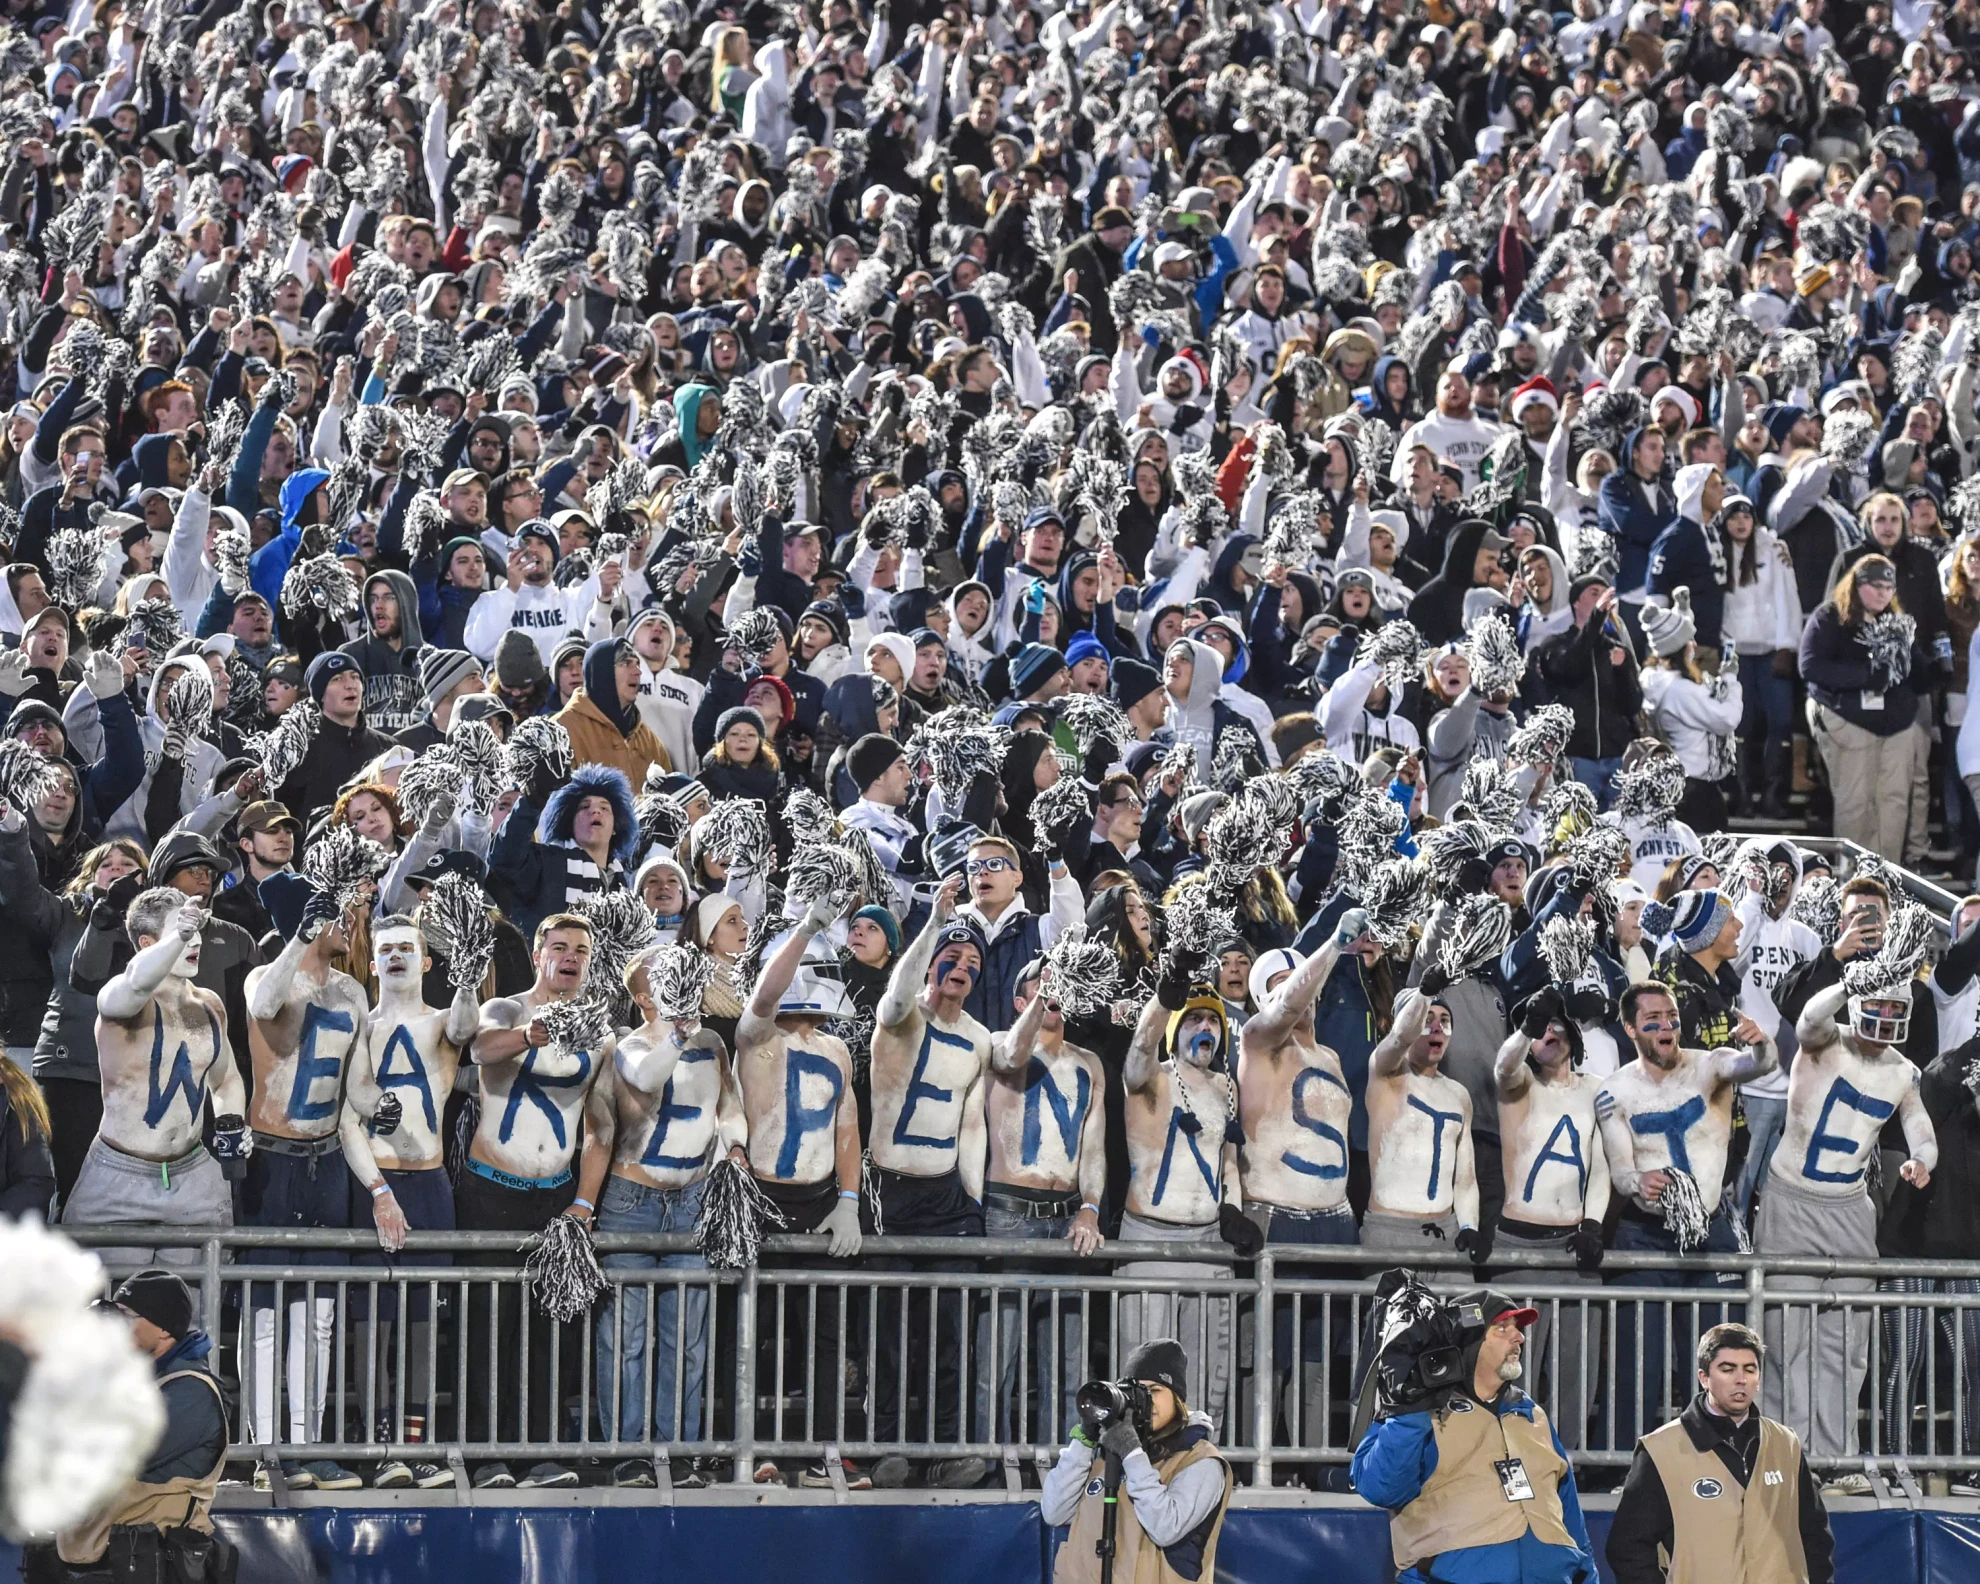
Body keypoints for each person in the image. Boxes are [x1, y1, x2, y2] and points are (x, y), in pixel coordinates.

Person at [584, 942, 744, 1488]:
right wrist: (677, 1033)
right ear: (644, 996)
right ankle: (627, 1452)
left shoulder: (713, 1042)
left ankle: (678, 1449)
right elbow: (649, 1078)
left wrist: (735, 1148)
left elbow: (728, 1106)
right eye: (663, 974)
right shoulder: (631, 1044)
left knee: (686, 1337)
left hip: (692, 1200)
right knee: (625, 1336)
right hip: (633, 1201)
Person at [1597, 981, 1777, 1448]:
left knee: (1722, 1361)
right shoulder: (1613, 1091)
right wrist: (1638, 1181)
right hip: (1645, 1233)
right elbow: (1620, 1170)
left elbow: (1758, 1065)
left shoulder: (1710, 1066)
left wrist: (1761, 1045)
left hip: (1710, 1232)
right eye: (1652, 1019)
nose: (1666, 1025)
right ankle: (1626, 1465)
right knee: (1638, 1364)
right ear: (1630, 1028)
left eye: (1670, 1015)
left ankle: (1722, 1456)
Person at [337, 916, 479, 1487]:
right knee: (374, 1319)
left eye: (406, 948)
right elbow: (349, 1120)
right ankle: (380, 1447)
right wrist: (378, 1192)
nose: (396, 955)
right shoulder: (362, 1027)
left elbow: (467, 1027)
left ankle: (415, 1445)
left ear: (425, 961)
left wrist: (467, 976)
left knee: (423, 1321)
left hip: (429, 1183)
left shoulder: (443, 1021)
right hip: (377, 1181)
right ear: (372, 964)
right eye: (386, 949)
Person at [864, 875, 994, 1488]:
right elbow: (895, 997)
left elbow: (971, 1124)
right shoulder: (901, 1017)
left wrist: (973, 1201)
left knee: (948, 1333)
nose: (961, 967)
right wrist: (935, 925)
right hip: (888, 1190)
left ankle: (944, 1449)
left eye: (973, 962)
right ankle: (887, 1447)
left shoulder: (979, 1039)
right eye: (952, 956)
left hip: (945, 1194)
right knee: (891, 1334)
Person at [1353, 1288, 1597, 1584]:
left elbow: (1572, 1521)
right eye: (1502, 1328)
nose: (1519, 1338)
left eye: (1517, 1328)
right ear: (1470, 1342)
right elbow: (1381, 1489)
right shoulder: (1420, 1411)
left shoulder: (1533, 1414)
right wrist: (1409, 1411)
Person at [62, 889, 244, 1276]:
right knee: (110, 1308)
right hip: (120, 1178)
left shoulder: (210, 1004)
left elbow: (225, 1079)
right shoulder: (120, 997)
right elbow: (135, 983)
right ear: (146, 943)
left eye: (196, 929)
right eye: (183, 929)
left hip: (195, 1176)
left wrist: (232, 1122)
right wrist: (178, 937)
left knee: (196, 1304)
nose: (195, 939)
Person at [976, 956, 1107, 1446]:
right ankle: (990, 1463)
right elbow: (1013, 1055)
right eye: (1040, 981)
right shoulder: (996, 1044)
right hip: (1009, 1213)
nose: (1052, 987)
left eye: (1057, 981)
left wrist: (1090, 1207)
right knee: (998, 1358)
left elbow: (1093, 1148)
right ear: (1019, 1000)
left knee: (1067, 1361)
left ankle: (1062, 1462)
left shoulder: (1089, 1063)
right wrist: (1042, 1000)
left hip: (1067, 1217)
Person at [1606, 1322, 1836, 1584]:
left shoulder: (1786, 1444)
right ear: (1704, 1378)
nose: (1741, 1380)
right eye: (1728, 1369)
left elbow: (1815, 1536)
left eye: (1750, 1369)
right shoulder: (1660, 1450)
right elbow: (1628, 1547)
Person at [54, 1269, 232, 1582]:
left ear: (163, 1330)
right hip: (99, 1566)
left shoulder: (192, 1392)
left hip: (146, 1567)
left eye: (126, 1316)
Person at [1039, 1337, 1234, 1584]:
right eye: (1136, 1393)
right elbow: (1054, 1512)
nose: (1146, 1401)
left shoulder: (1201, 1460)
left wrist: (1132, 1454)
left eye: (1155, 1390)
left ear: (1177, 1398)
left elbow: (1164, 1528)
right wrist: (1085, 1440)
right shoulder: (1108, 1449)